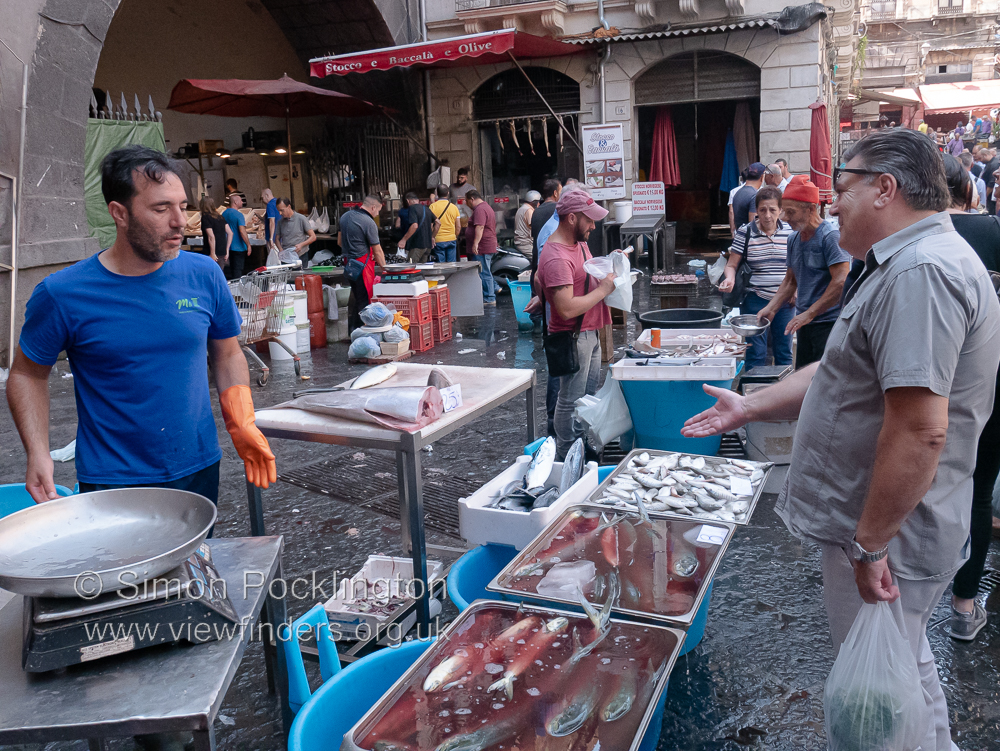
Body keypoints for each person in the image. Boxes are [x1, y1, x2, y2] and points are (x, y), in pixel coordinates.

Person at [684, 129, 1000, 751]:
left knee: (874, 698)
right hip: (892, 529)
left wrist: (870, 544)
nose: (831, 208)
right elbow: (837, 372)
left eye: (842, 190)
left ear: (885, 189)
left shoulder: (923, 274)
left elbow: (920, 428)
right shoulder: (905, 265)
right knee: (903, 661)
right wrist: (749, 406)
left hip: (894, 533)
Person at [7, 145, 276, 505]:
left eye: (182, 206)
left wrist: (241, 419)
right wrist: (37, 451)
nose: (180, 221)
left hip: (198, 467)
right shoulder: (63, 293)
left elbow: (227, 353)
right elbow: (26, 374)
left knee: (193, 561)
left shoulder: (204, 275)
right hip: (114, 480)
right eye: (161, 208)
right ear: (119, 213)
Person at [942, 153, 1000, 640]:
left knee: (916, 485)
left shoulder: (905, 243)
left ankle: (901, 604)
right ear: (969, 188)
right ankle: (963, 605)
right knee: (979, 494)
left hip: (923, 388)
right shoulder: (994, 232)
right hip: (991, 387)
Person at [535, 189, 616, 459]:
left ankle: (581, 446)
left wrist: (543, 294)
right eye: (589, 220)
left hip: (589, 332)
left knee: (586, 396)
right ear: (572, 218)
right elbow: (567, 308)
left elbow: (538, 277)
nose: (593, 226)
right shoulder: (557, 255)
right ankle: (565, 451)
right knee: (570, 399)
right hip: (573, 335)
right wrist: (603, 290)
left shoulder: (578, 243)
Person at [757, 177, 851, 367]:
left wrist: (810, 313)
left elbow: (841, 281)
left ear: (810, 209)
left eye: (790, 212)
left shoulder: (830, 236)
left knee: (823, 381)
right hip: (806, 323)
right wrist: (772, 307)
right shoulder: (794, 239)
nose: (785, 218)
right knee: (803, 377)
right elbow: (791, 281)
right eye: (785, 211)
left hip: (829, 324)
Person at [719, 185, 793, 368]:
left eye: (772, 210)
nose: (767, 215)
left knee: (784, 352)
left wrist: (796, 290)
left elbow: (800, 266)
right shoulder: (746, 232)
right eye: (762, 210)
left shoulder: (791, 232)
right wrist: (730, 279)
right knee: (756, 353)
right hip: (755, 300)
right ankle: (752, 394)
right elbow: (731, 265)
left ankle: (785, 395)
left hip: (785, 302)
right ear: (756, 210)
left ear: (780, 210)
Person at [338, 194, 387, 330]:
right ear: (373, 207)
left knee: (355, 298)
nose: (377, 214)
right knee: (365, 300)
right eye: (378, 211)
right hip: (363, 266)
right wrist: (386, 269)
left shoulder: (345, 217)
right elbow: (377, 251)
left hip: (349, 265)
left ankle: (353, 330)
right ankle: (362, 332)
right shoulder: (368, 222)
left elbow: (339, 242)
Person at [465, 190, 498, 306]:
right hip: (486, 244)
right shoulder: (486, 207)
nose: (466, 204)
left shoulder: (479, 209)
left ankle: (489, 297)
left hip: (483, 246)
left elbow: (480, 227)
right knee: (486, 270)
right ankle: (494, 288)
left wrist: (475, 243)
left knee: (484, 272)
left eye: (467, 201)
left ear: (472, 199)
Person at [397, 192, 437, 263]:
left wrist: (404, 240)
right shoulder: (427, 209)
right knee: (423, 269)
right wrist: (433, 237)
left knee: (412, 267)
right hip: (428, 246)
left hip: (417, 245)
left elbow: (414, 226)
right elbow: (438, 222)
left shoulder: (412, 208)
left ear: (408, 201)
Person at [429, 184, 461, 263]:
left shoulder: (432, 207)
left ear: (437, 194)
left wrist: (432, 237)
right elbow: (458, 226)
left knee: (440, 265)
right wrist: (455, 236)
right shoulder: (454, 207)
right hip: (451, 239)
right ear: (448, 193)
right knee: (451, 265)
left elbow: (430, 226)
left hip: (438, 240)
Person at [222, 193, 249, 279]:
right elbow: (242, 231)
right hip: (239, 247)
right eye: (241, 200)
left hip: (227, 247)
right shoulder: (239, 215)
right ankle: (237, 289)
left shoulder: (224, 214)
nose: (242, 202)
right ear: (235, 202)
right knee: (238, 271)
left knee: (229, 271)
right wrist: (248, 244)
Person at [200, 196, 231, 270]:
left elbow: (211, 236)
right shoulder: (220, 217)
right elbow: (230, 233)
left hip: (212, 252)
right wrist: (227, 250)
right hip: (222, 252)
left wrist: (212, 253)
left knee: (210, 276)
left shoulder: (205, 218)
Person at [732, 162, 765, 229]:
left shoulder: (738, 192)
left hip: (740, 235)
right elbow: (753, 224)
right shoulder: (755, 195)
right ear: (762, 177)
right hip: (748, 237)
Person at [514, 190, 540, 258]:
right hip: (525, 243)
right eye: (538, 202)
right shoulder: (529, 210)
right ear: (534, 201)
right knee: (539, 259)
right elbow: (534, 225)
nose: (539, 204)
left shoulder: (521, 208)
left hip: (521, 242)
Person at [728, 168, 748, 236]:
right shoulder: (759, 190)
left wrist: (732, 230)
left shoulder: (734, 191)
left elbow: (731, 211)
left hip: (739, 226)